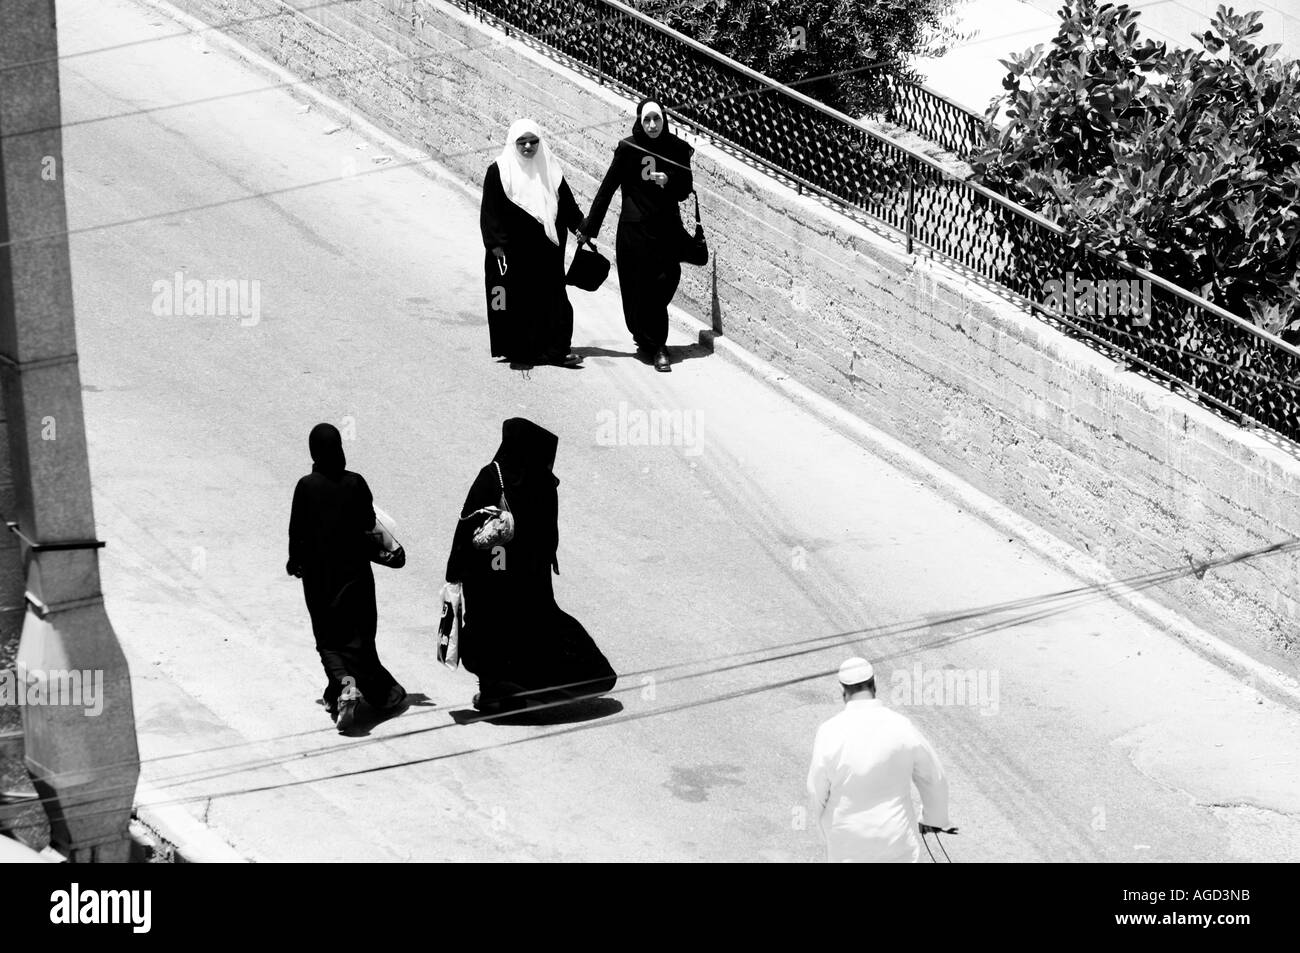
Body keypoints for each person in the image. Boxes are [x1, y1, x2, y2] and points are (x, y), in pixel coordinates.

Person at [444, 418, 617, 714]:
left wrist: (454, 572)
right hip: (528, 578)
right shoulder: (544, 483)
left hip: (490, 576)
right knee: (532, 628)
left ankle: (495, 692)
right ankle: (517, 690)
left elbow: (466, 526)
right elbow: (549, 536)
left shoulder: (491, 476)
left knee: (488, 630)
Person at [287, 423, 407, 732]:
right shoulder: (355, 483)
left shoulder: (306, 486)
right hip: (355, 577)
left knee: (329, 640)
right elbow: (369, 522)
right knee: (358, 640)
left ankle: (344, 687)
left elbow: (297, 532)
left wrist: (295, 562)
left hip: (319, 580)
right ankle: (362, 690)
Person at [581, 98, 695, 373]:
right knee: (635, 291)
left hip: (666, 231)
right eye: (647, 120)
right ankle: (646, 337)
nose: (653, 125)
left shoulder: (677, 149)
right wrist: (589, 229)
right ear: (640, 121)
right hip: (634, 233)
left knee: (666, 281)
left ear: (664, 120)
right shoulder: (628, 148)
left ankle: (658, 346)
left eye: (656, 119)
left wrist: (669, 181)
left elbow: (685, 189)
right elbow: (607, 188)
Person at [806, 657, 951, 862]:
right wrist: (933, 818)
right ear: (875, 684)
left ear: (842, 690)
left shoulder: (830, 732)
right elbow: (932, 777)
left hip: (847, 842)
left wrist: (825, 831)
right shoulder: (901, 727)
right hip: (896, 840)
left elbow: (816, 790)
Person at [480, 118, 587, 368]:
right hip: (512, 252)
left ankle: (556, 351)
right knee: (512, 301)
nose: (528, 147)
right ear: (513, 142)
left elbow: (567, 204)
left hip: (547, 251)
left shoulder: (549, 167)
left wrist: (581, 226)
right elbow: (490, 213)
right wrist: (496, 247)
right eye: (522, 142)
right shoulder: (499, 171)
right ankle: (520, 351)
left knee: (554, 300)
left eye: (533, 142)